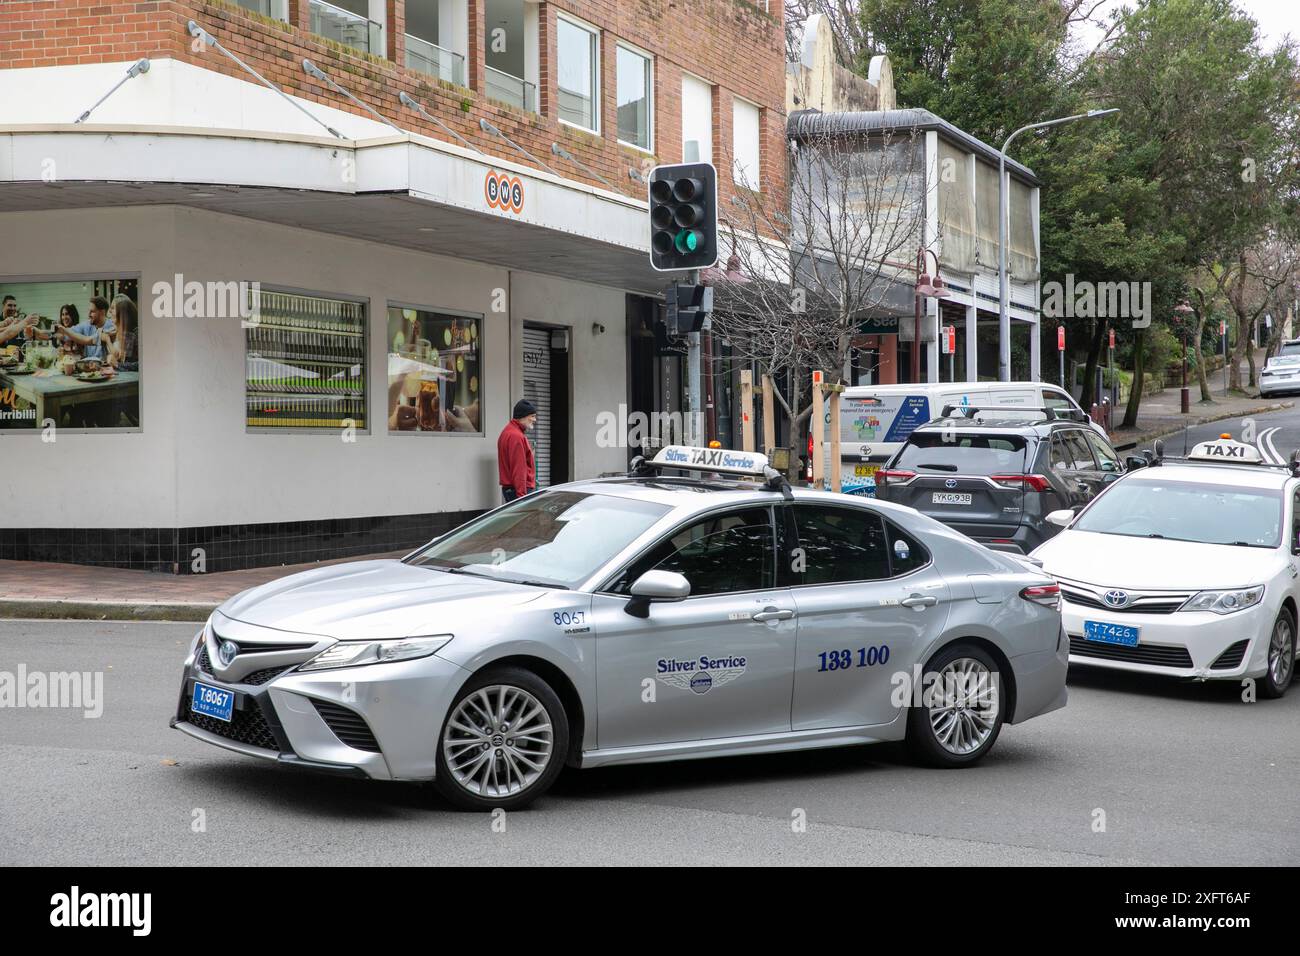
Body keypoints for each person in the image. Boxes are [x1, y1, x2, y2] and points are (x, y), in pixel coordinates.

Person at [497, 399, 537, 503]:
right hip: (519, 491)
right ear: (523, 416)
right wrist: (521, 498)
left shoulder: (508, 431)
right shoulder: (516, 436)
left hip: (513, 490)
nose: (534, 419)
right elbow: (519, 468)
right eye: (532, 416)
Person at [104, 294, 138, 370]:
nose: (109, 311)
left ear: (122, 312)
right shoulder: (120, 332)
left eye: (112, 308)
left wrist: (117, 364)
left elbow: (141, 363)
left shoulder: (136, 333)